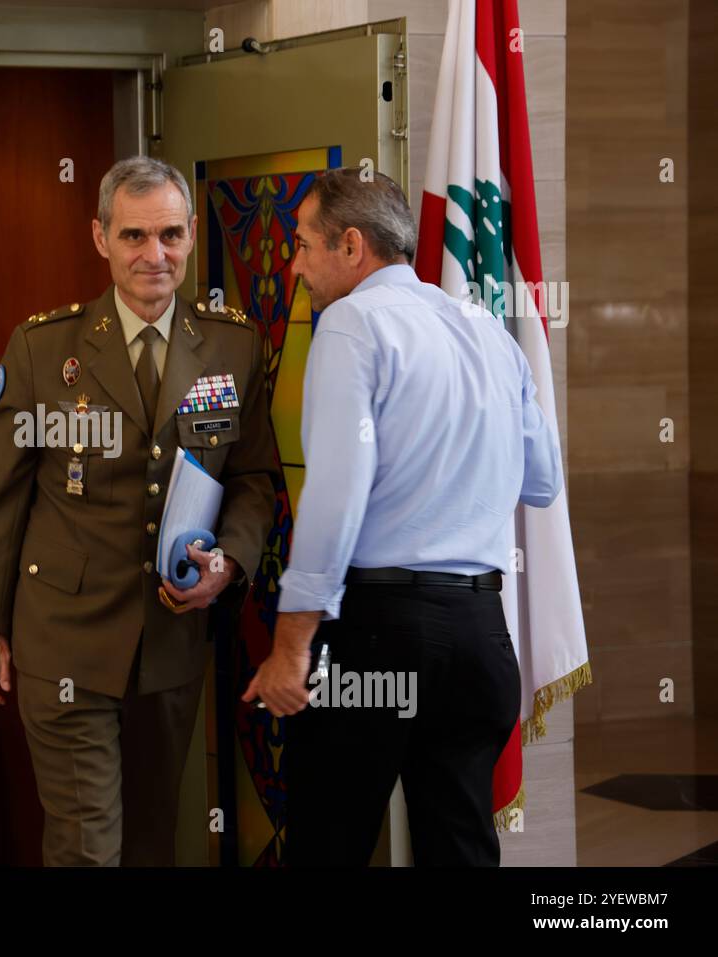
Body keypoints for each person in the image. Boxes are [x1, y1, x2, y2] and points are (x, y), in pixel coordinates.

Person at [243, 167, 564, 867]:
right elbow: (542, 480)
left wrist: (291, 648)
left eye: (302, 245)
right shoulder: (483, 327)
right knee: (461, 850)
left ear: (352, 246)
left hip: (380, 632)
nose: (294, 266)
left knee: (329, 844)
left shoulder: (352, 323)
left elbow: (334, 496)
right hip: (481, 636)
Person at [0, 156, 277, 866]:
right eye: (134, 236)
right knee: (86, 847)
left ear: (193, 233)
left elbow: (255, 476)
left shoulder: (233, 343)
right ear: (100, 238)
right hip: (64, 641)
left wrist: (228, 562)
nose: (154, 255)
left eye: (170, 234)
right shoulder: (45, 349)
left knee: (149, 842)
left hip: (171, 644)